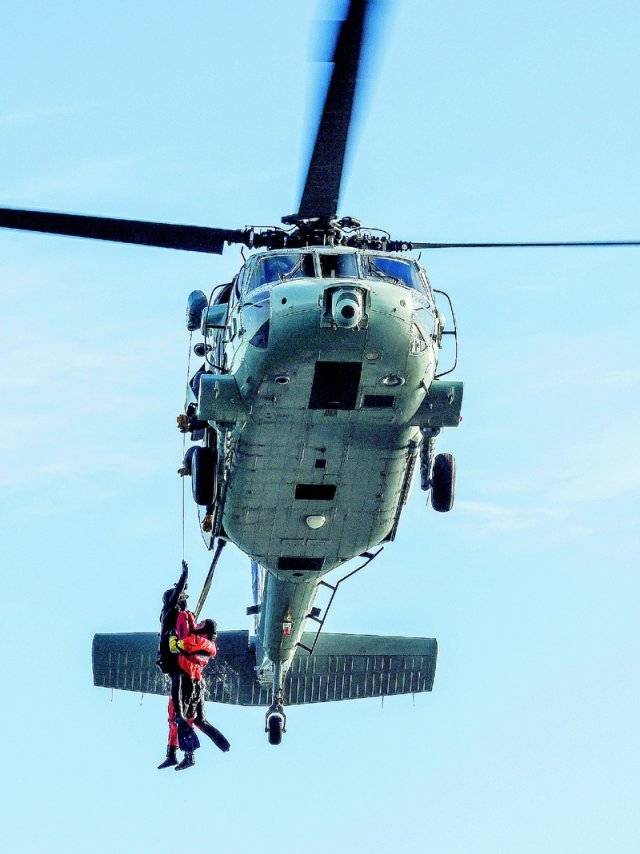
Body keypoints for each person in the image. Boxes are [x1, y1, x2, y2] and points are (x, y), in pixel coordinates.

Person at [163, 617, 230, 770]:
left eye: (201, 625)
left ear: (204, 630)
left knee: (180, 719)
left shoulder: (194, 640)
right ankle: (223, 744)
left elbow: (174, 647)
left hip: (185, 682)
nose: (197, 625)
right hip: (196, 683)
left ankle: (186, 755)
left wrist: (172, 634)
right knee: (199, 721)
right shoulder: (210, 646)